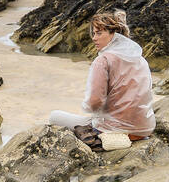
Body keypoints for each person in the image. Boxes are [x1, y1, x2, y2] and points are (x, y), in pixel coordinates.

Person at [48, 11, 155, 145]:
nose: (94, 38)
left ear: (114, 35)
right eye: (93, 33)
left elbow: (94, 102)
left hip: (117, 128)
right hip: (145, 127)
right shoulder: (140, 59)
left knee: (54, 116)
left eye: (99, 33)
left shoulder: (103, 60)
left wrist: (95, 113)